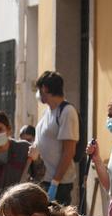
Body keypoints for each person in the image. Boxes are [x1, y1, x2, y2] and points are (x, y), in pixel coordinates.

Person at [34, 70, 79, 205]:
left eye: (39, 90)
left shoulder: (67, 112)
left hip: (59, 183)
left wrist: (55, 182)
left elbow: (69, 151)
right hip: (44, 179)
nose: (38, 94)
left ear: (44, 89)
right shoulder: (47, 112)